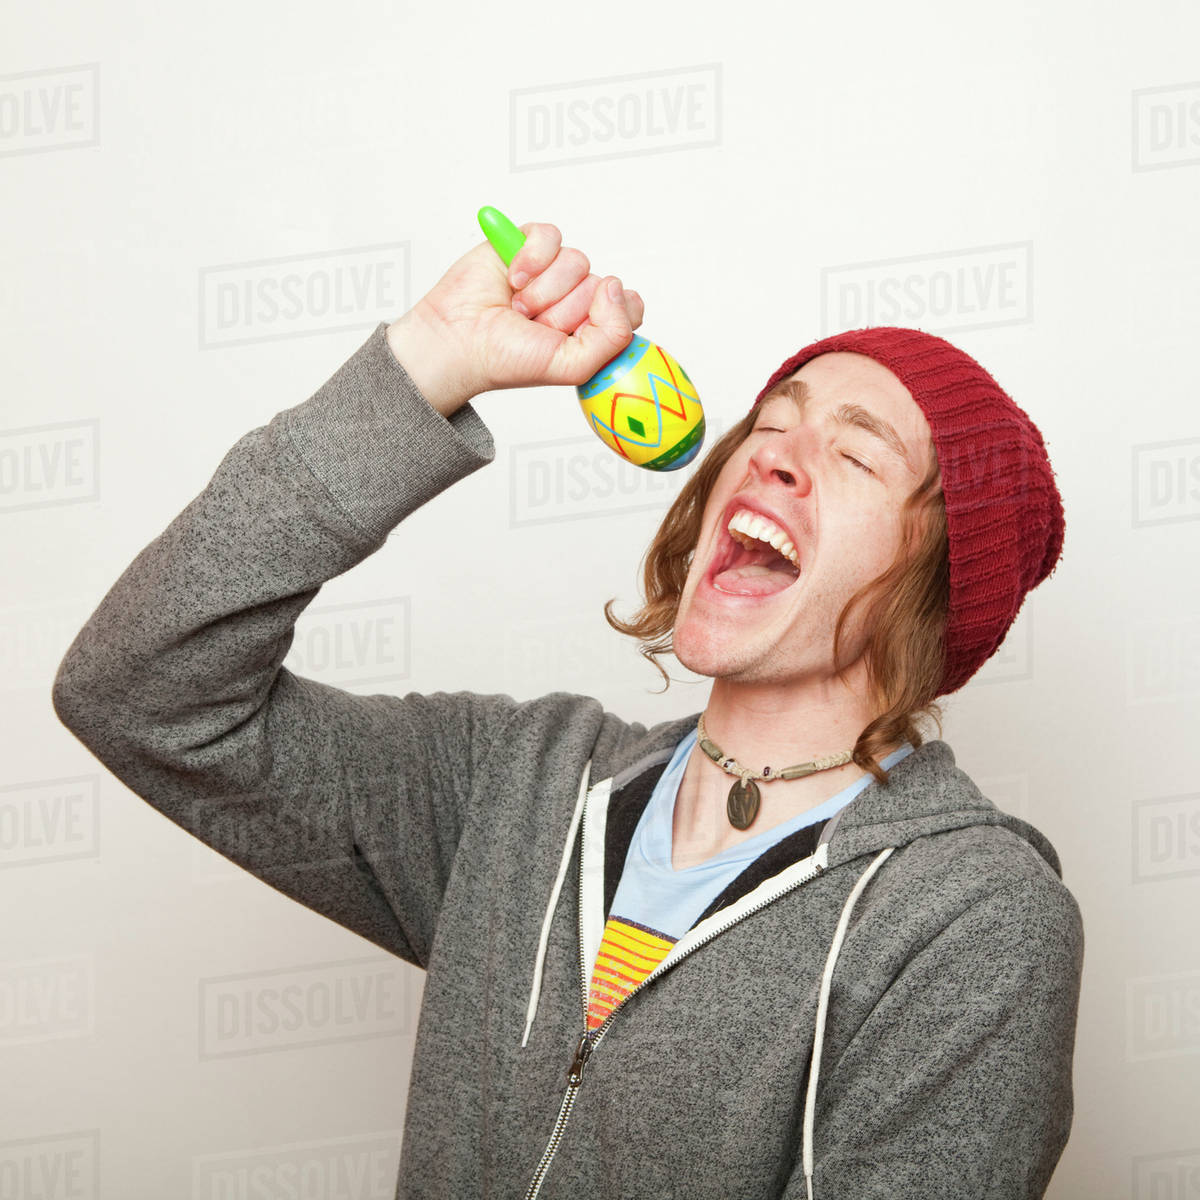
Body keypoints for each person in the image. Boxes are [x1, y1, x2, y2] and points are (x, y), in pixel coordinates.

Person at [51, 219, 1084, 1199]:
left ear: (941, 584)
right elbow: (141, 693)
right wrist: (422, 369)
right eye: (769, 425)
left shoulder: (972, 921)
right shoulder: (517, 783)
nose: (770, 453)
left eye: (855, 454)